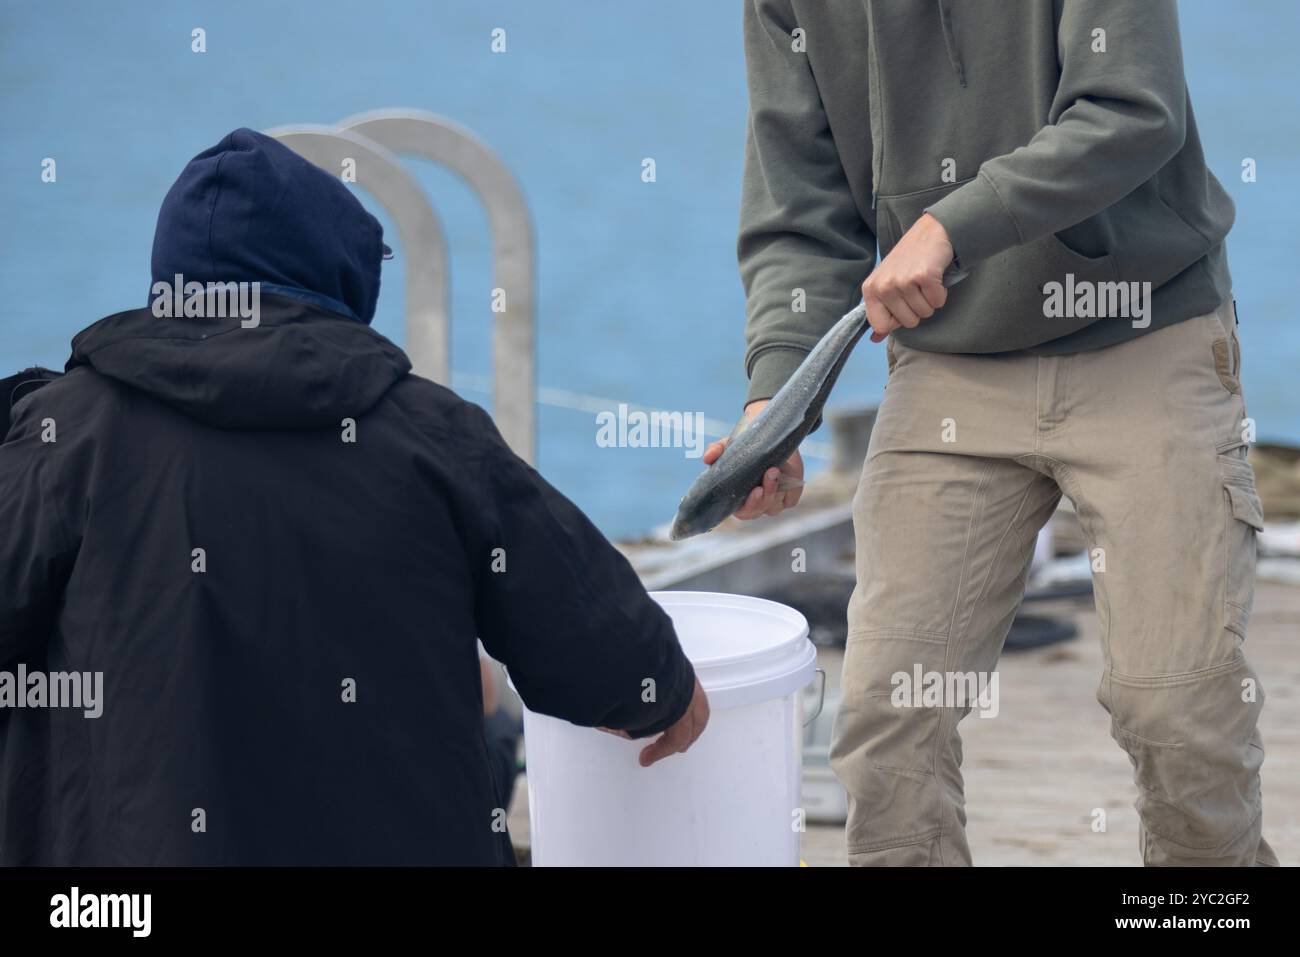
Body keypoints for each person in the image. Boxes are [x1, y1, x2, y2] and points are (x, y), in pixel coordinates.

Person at [0, 128, 709, 865]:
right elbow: (599, 633)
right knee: (489, 713)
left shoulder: (66, 432)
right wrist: (665, 689)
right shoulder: (434, 436)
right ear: (337, 278)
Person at [714, 0, 1275, 865]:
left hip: (1144, 331)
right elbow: (801, 201)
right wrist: (775, 400)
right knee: (886, 718)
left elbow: (1133, 107)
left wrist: (948, 225)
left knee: (1178, 709)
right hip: (950, 365)